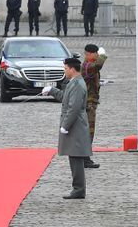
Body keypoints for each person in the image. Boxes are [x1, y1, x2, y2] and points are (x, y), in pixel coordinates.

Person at [41, 58, 91, 199]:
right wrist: (52, 91)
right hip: (74, 125)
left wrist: (65, 125)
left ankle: (79, 189)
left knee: (76, 158)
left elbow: (73, 108)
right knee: (74, 157)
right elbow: (65, 98)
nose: (64, 71)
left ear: (72, 69)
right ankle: (78, 189)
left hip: (75, 125)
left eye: (65, 68)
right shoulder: (74, 83)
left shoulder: (77, 84)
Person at [81, 43, 106, 169]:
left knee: (88, 132)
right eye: (95, 54)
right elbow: (99, 65)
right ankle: (85, 158)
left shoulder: (88, 65)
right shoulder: (87, 66)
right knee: (88, 132)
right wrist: (103, 55)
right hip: (88, 104)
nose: (97, 56)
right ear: (90, 54)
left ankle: (85, 157)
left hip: (91, 103)